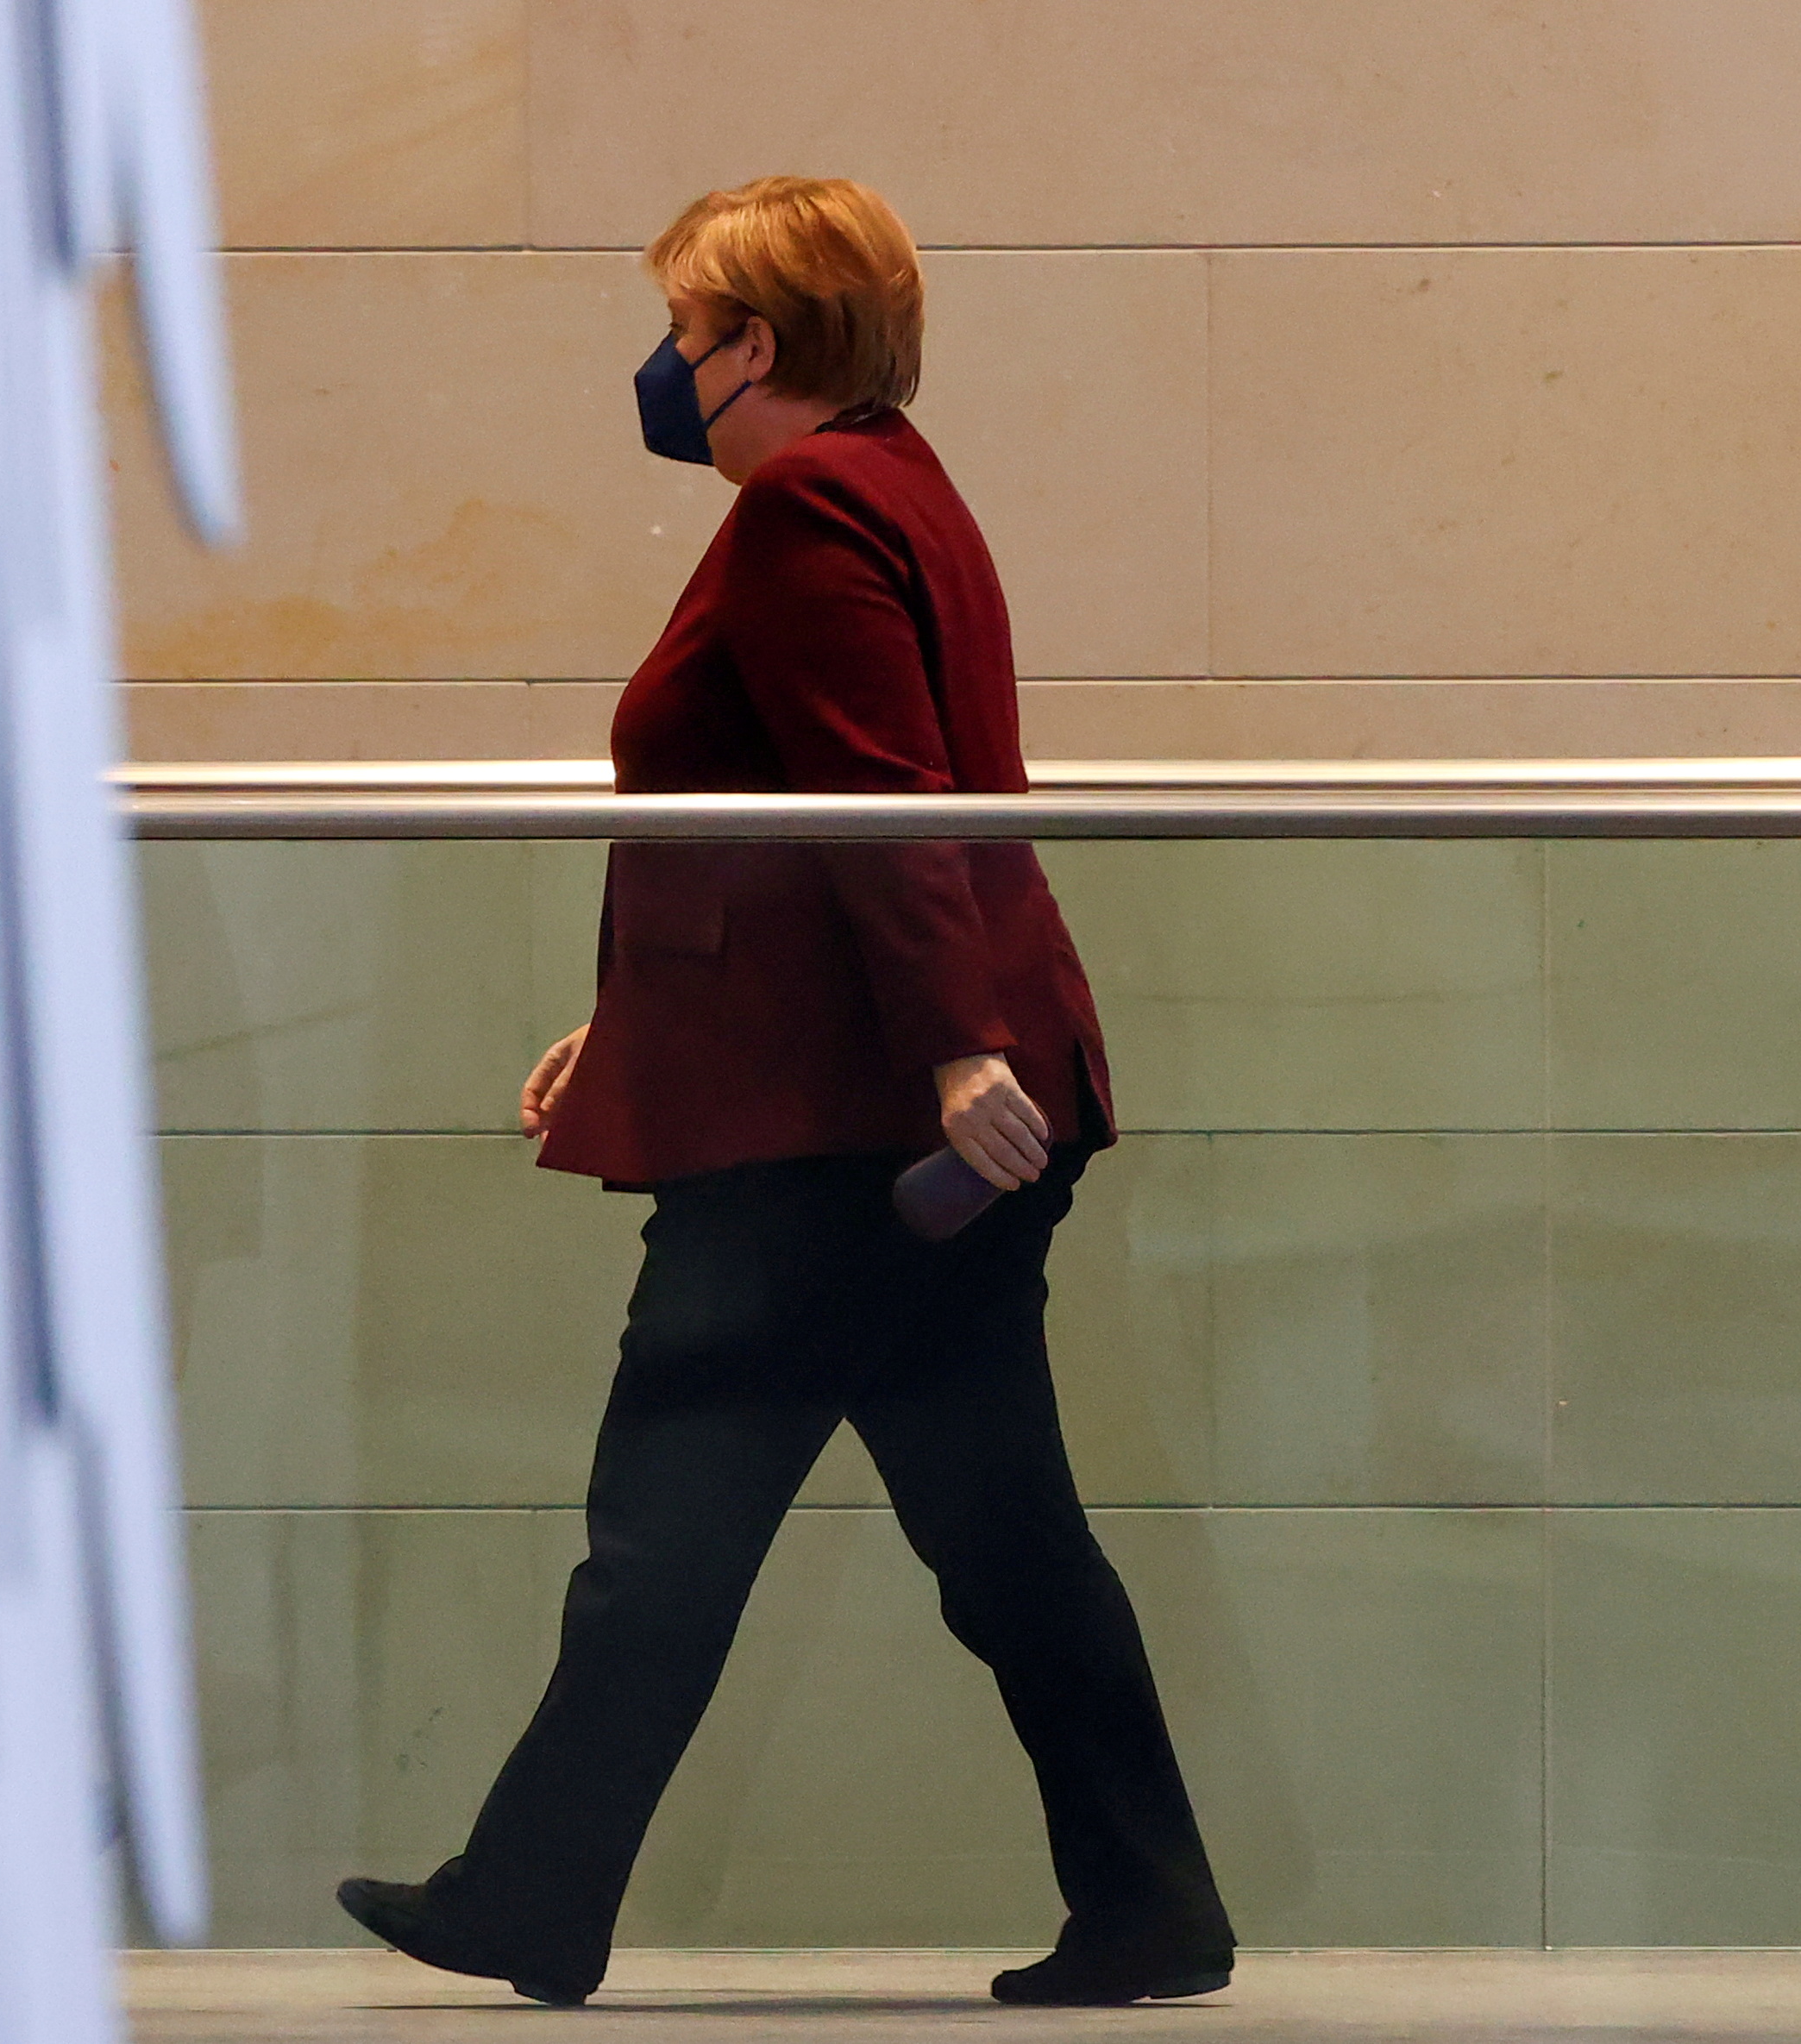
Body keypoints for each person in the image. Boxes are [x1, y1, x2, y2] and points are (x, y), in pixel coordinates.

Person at [332, 176, 1235, 2010]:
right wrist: (642, 1032)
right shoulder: (896, 482)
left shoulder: (813, 504)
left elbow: (880, 801)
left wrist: (954, 1047)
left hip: (851, 1133)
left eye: (685, 331)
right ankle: (1151, 1906)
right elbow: (787, 818)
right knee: (1001, 1533)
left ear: (759, 342)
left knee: (669, 1510)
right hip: (887, 1105)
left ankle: (528, 1895)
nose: (665, 366)